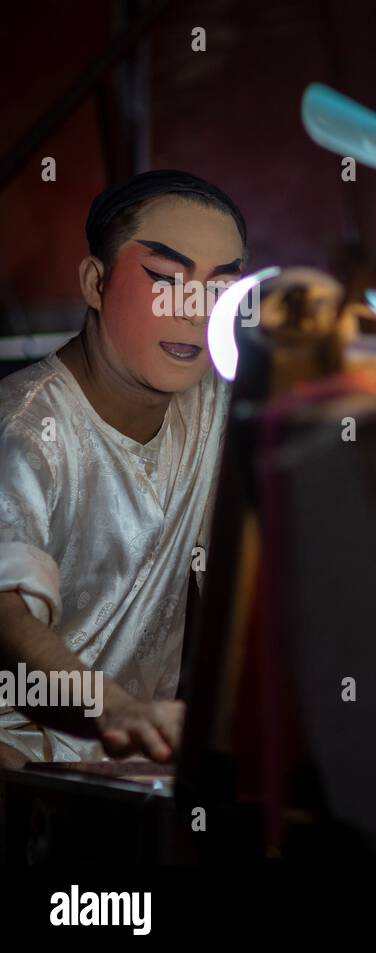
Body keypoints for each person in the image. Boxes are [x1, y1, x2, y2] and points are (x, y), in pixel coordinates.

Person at [0, 169, 245, 767]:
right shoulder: (26, 430)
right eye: (165, 280)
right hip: (21, 761)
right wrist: (117, 710)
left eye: (220, 290)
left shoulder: (215, 404)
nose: (195, 312)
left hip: (133, 766)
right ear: (94, 281)